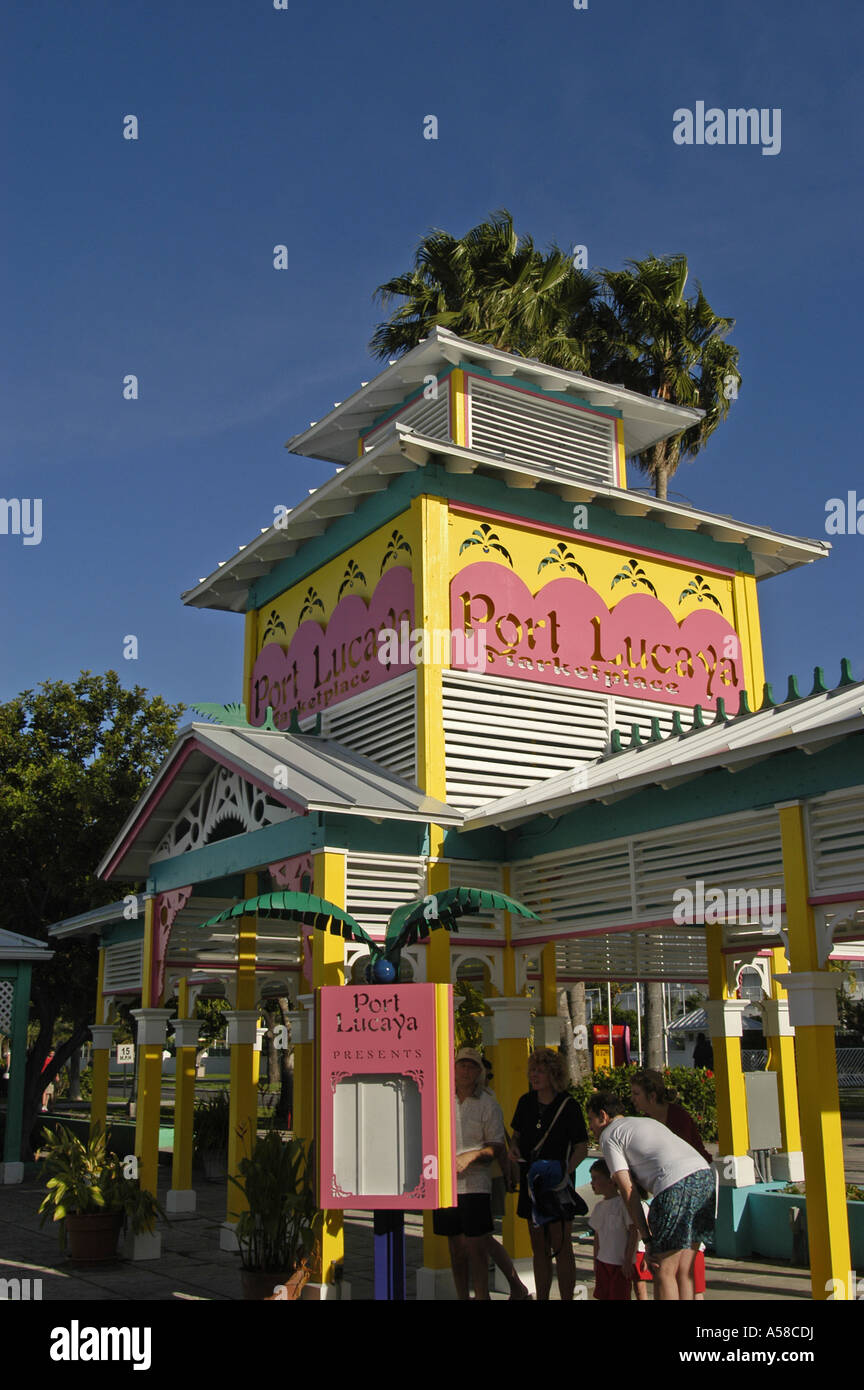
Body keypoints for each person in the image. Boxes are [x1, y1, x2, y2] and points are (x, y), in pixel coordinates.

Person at [586, 1089, 714, 1301]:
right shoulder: (646, 1123)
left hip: (675, 1184)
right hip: (705, 1178)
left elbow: (627, 1190)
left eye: (591, 1119)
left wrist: (646, 1238)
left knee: (663, 1269)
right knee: (685, 1269)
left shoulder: (609, 1136)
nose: (590, 1127)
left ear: (603, 1115)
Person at [509, 1048, 589, 1301]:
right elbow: (518, 1136)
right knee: (538, 1248)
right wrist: (513, 1148)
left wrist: (564, 1174)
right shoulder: (525, 1102)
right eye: (533, 1070)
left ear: (554, 1074)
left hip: (558, 1186)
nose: (535, 1075)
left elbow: (581, 1147)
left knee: (562, 1246)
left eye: (540, 1071)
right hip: (532, 1182)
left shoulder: (569, 1106)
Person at [432, 1047, 508, 1300]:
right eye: (461, 1065)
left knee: (476, 1245)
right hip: (445, 1184)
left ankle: (482, 1295)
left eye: (471, 1066)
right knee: (456, 1248)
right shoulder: (441, 1099)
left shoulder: (488, 1103)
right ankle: (463, 1295)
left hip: (476, 1184)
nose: (465, 1070)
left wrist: (471, 1156)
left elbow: (497, 1145)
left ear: (479, 1071)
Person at [630, 1069, 712, 1299]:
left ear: (652, 1096)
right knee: (682, 1269)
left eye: (636, 1093)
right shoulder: (650, 1122)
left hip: (687, 1190)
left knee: (669, 1268)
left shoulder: (676, 1118)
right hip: (695, 1188)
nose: (632, 1099)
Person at [588, 1159, 650, 1301]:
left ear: (611, 1180)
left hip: (620, 1265)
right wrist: (596, 1261)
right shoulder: (599, 1207)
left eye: (595, 1178)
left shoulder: (624, 1204)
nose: (592, 1183)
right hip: (603, 1262)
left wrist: (628, 1260)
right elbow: (597, 1237)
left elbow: (633, 1232)